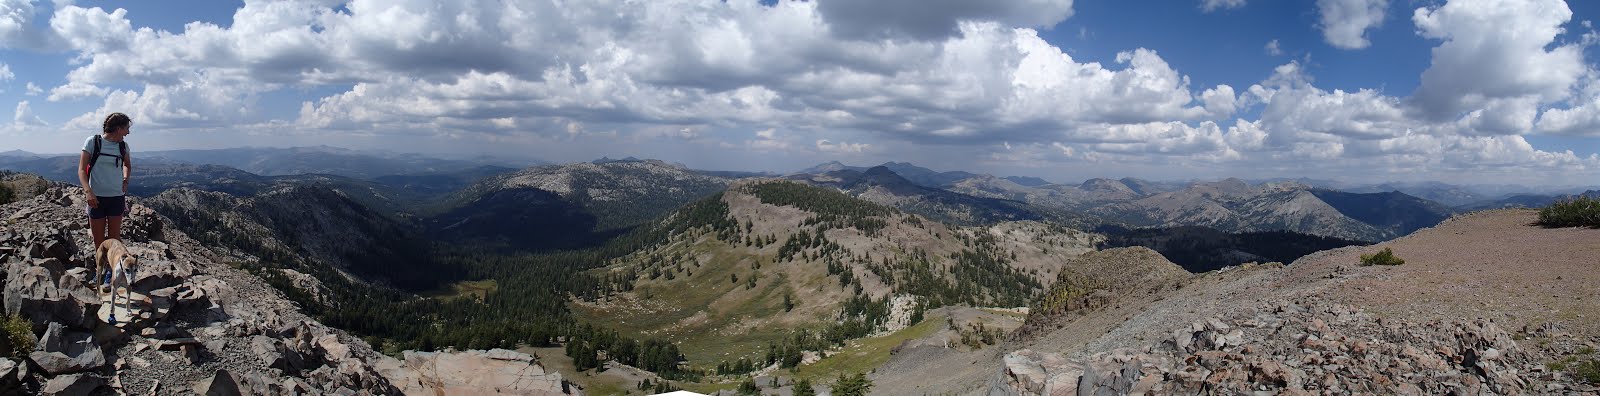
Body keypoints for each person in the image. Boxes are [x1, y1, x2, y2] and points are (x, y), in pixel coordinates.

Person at [77, 112, 133, 286]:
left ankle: (111, 273)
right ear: (118, 128)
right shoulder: (93, 142)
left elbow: (127, 165)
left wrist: (125, 180)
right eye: (126, 128)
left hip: (116, 197)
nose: (128, 132)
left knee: (114, 239)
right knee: (99, 241)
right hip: (96, 199)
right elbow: (81, 170)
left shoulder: (123, 146)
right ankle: (100, 272)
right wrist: (88, 192)